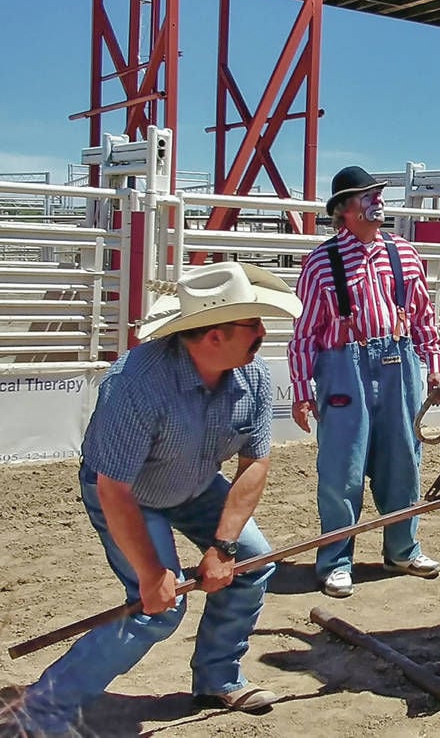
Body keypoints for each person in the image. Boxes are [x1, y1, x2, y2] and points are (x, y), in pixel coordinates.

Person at [4, 261, 302, 735]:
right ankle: (37, 712)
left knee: (252, 561)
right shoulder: (136, 385)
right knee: (154, 610)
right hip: (128, 495)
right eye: (253, 323)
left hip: (195, 484)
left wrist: (223, 548)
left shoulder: (255, 378)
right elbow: (113, 489)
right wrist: (151, 574)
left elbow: (255, 463)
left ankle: (218, 679)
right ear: (214, 336)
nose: (264, 332)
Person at [288, 166, 440, 599]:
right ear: (345, 210)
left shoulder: (405, 254)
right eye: (366, 196)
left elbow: (423, 315)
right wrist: (302, 391)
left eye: (377, 194)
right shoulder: (321, 263)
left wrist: (433, 363)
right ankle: (336, 561)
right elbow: (304, 334)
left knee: (404, 460)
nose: (377, 201)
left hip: (399, 363)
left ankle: (402, 548)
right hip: (344, 367)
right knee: (343, 467)